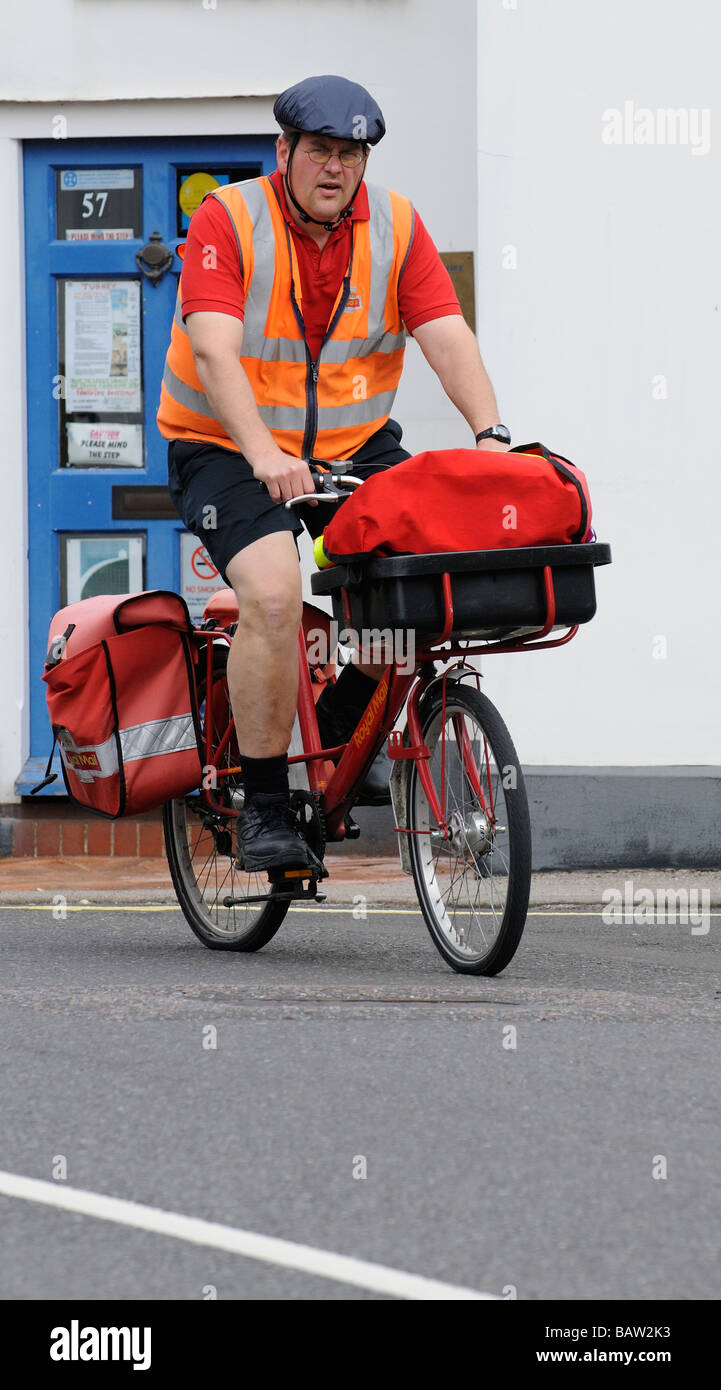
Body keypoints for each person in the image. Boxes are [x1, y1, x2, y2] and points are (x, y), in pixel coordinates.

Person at [158, 74, 511, 872]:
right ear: (283, 150)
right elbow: (213, 348)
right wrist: (261, 454)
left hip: (353, 447)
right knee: (277, 595)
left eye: (350, 154)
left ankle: (347, 719)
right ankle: (265, 805)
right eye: (318, 150)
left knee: (425, 579)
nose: (334, 168)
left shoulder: (395, 224)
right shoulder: (230, 216)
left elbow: (446, 334)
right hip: (224, 448)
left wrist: (491, 435)